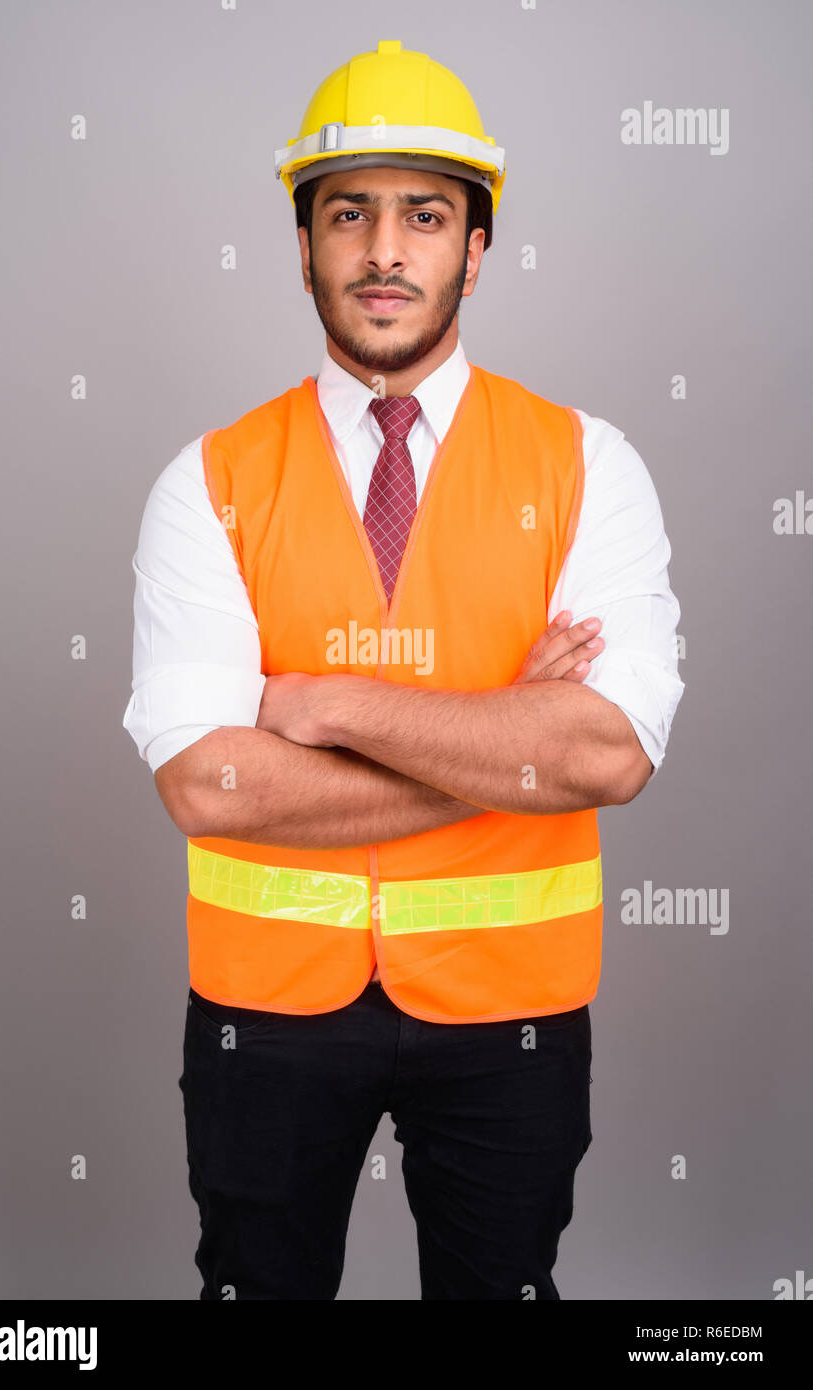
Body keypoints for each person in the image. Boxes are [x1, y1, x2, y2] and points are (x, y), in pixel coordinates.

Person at [123, 39, 684, 1300]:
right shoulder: (207, 480)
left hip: (510, 1017)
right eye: (349, 215)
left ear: (475, 248)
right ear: (305, 245)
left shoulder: (587, 463)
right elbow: (211, 787)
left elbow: (612, 752)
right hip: (263, 1013)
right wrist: (509, 737)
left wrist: (324, 707)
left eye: (425, 217)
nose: (385, 251)